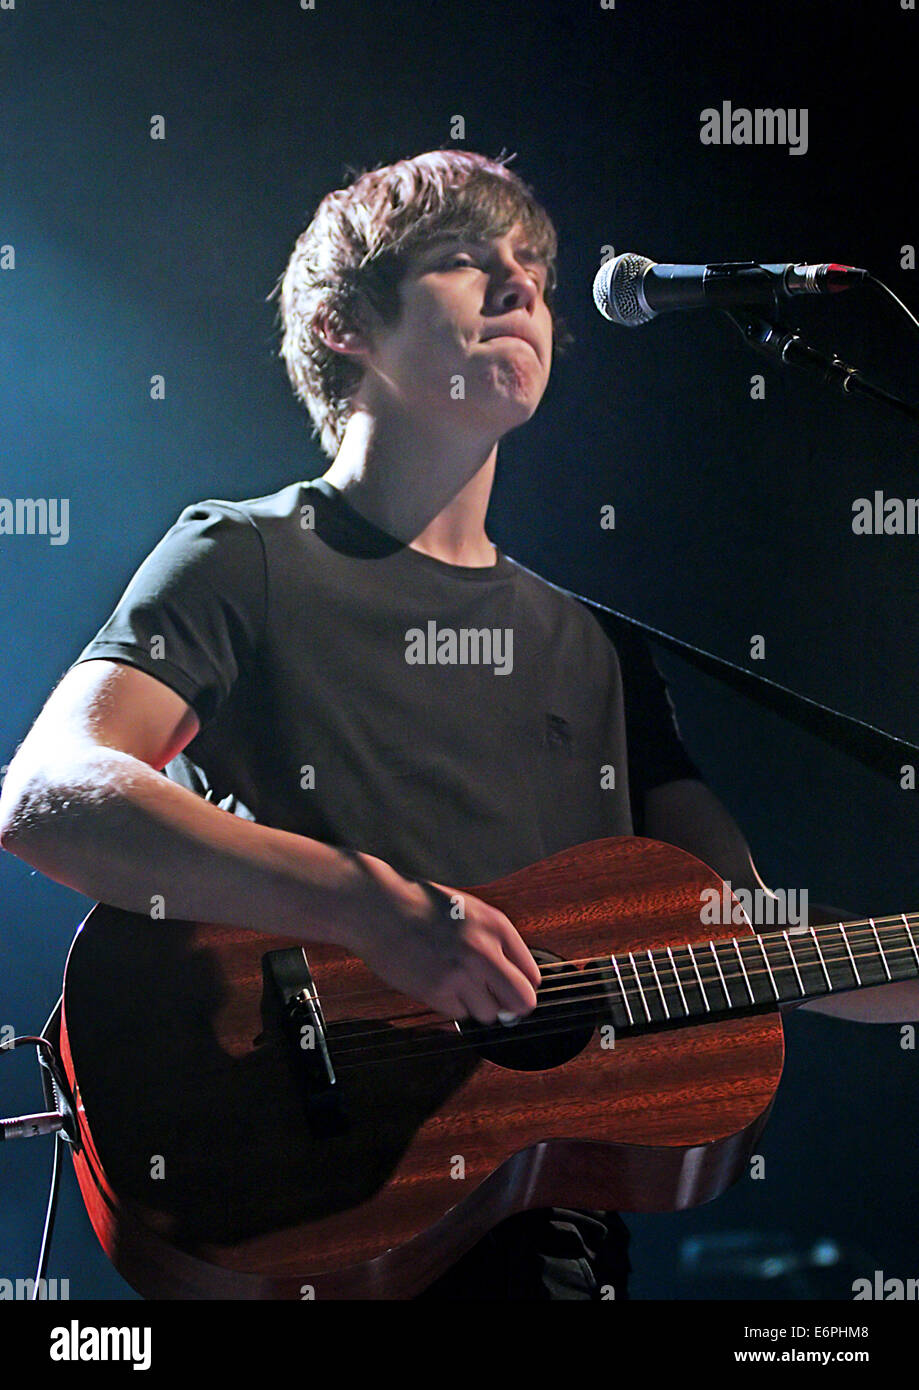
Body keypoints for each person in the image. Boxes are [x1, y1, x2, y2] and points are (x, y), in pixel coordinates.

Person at [1, 149, 911, 1301]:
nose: (520, 285)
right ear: (344, 325)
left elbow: (745, 931)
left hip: (550, 1248)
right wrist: (372, 908)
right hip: (301, 1197)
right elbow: (45, 795)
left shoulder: (602, 651)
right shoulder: (244, 556)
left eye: (529, 264)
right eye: (464, 260)